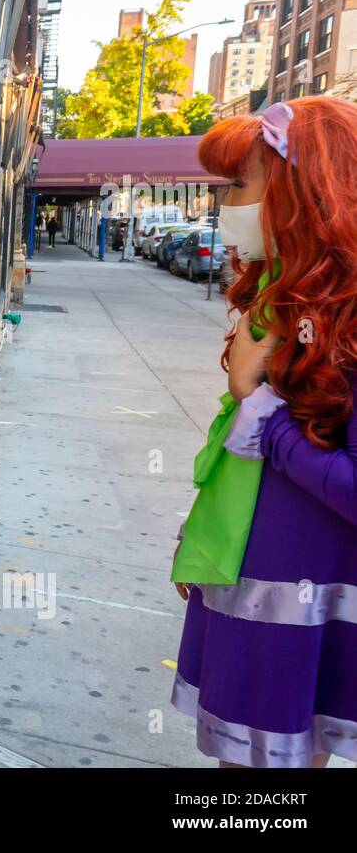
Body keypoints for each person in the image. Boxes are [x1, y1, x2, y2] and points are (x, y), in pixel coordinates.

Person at [172, 98, 357, 768]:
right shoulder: (287, 299)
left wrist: (271, 428)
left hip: (300, 610)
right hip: (254, 586)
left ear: (303, 191)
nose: (228, 205)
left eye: (240, 186)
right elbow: (242, 410)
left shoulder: (345, 322)